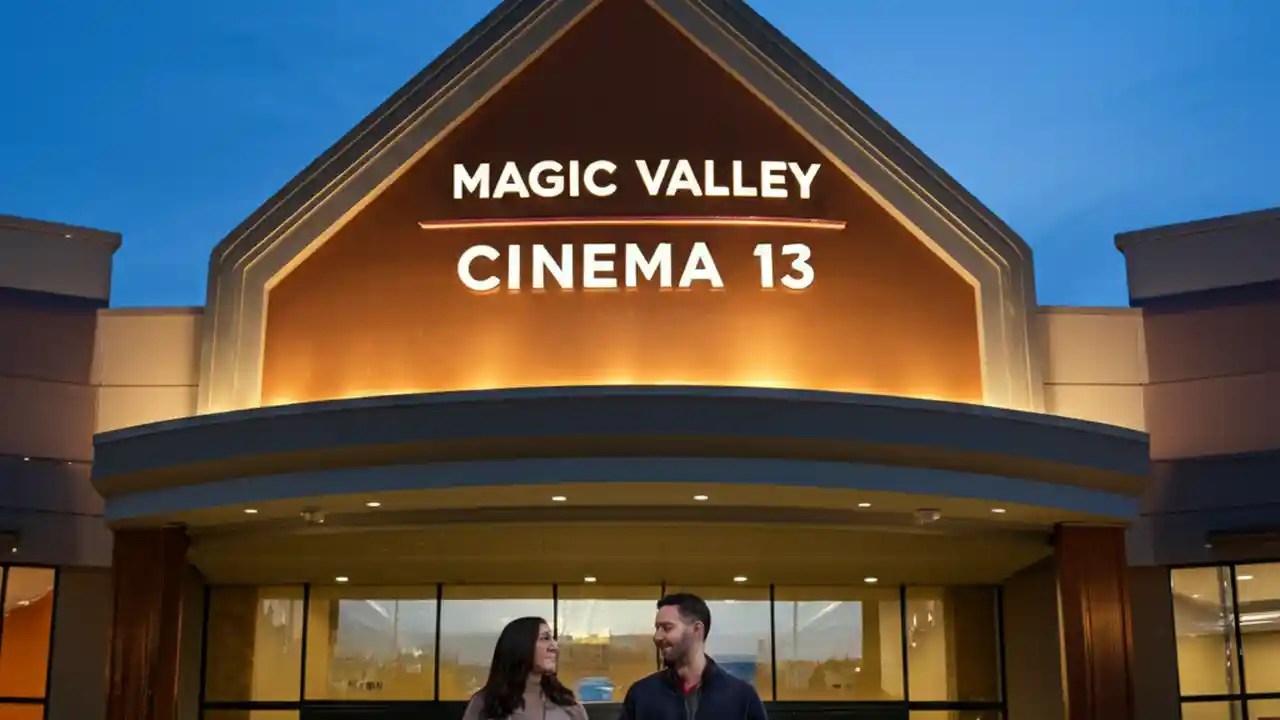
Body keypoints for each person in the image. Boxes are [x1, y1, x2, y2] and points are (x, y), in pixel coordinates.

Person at [619, 593, 767, 720]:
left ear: (697, 629)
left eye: (667, 628)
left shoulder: (741, 697)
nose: (657, 636)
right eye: (657, 628)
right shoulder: (641, 695)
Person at [462, 616, 588, 720]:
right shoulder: (484, 705)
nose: (554, 646)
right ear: (521, 647)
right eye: (545, 638)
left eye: (553, 639)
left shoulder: (569, 705)